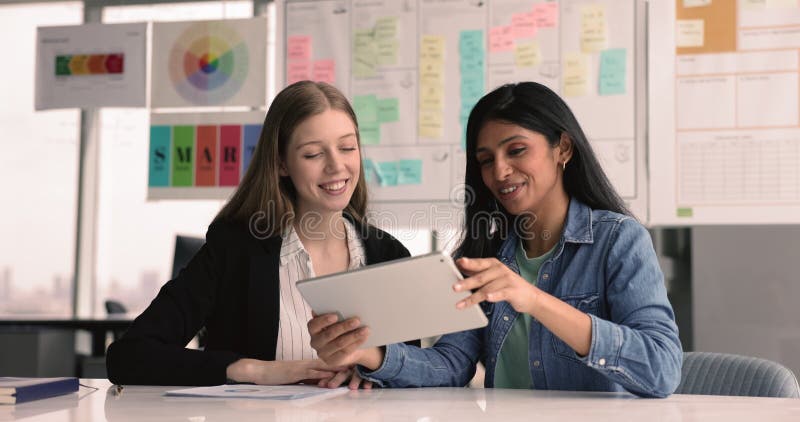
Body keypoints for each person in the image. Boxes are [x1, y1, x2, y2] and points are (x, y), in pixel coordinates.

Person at [306, 82, 683, 398]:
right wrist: (369, 354)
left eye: (516, 150)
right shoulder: (485, 253)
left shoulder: (618, 240)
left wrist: (534, 299)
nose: (500, 171)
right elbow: (452, 363)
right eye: (486, 160)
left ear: (563, 149)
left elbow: (661, 369)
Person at [106, 81, 414, 389]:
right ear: (281, 163)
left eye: (347, 147)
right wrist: (252, 370)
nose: (336, 165)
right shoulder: (235, 248)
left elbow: (415, 368)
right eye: (312, 154)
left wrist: (377, 372)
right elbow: (128, 356)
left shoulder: (389, 256)